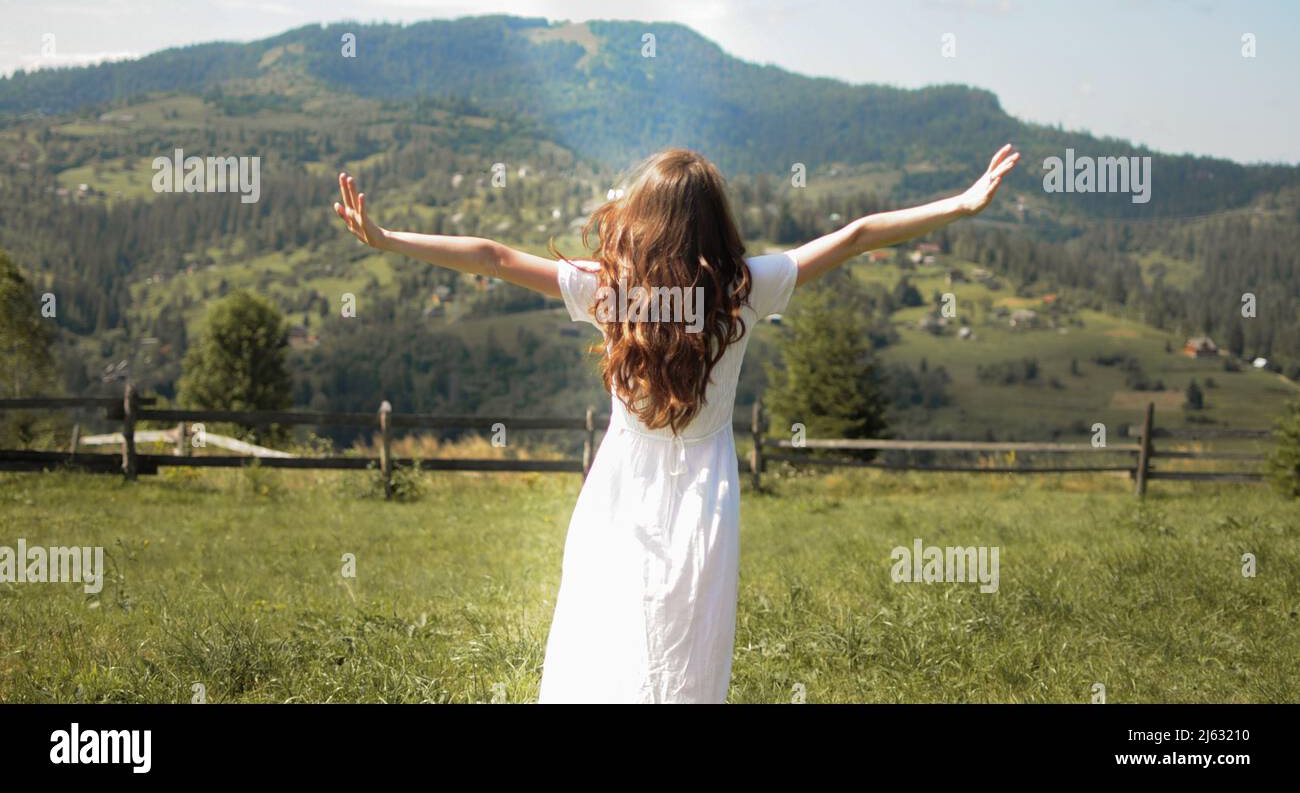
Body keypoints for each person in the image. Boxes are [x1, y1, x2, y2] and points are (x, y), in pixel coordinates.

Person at [332, 143, 1020, 703]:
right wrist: (961, 204)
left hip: (619, 488)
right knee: (688, 647)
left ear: (644, 220)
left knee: (604, 631)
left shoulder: (612, 293)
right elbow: (858, 235)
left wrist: (388, 239)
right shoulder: (747, 288)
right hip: (705, 492)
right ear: (716, 223)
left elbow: (491, 256)